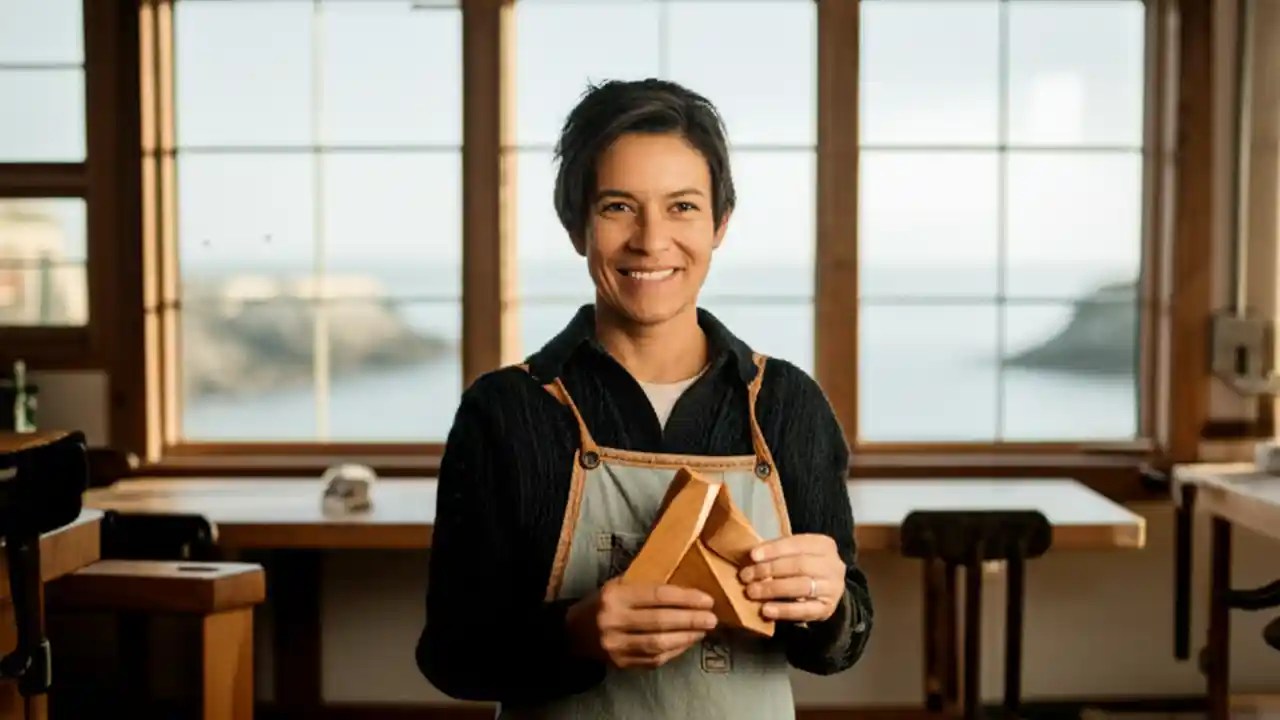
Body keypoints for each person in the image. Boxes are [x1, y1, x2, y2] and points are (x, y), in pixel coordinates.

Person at [417, 78, 872, 719]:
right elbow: (449, 652)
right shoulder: (506, 411)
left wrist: (829, 604)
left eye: (682, 206)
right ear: (576, 226)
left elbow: (841, 643)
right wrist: (573, 634)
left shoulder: (787, 404)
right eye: (618, 207)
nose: (651, 241)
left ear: (720, 224)